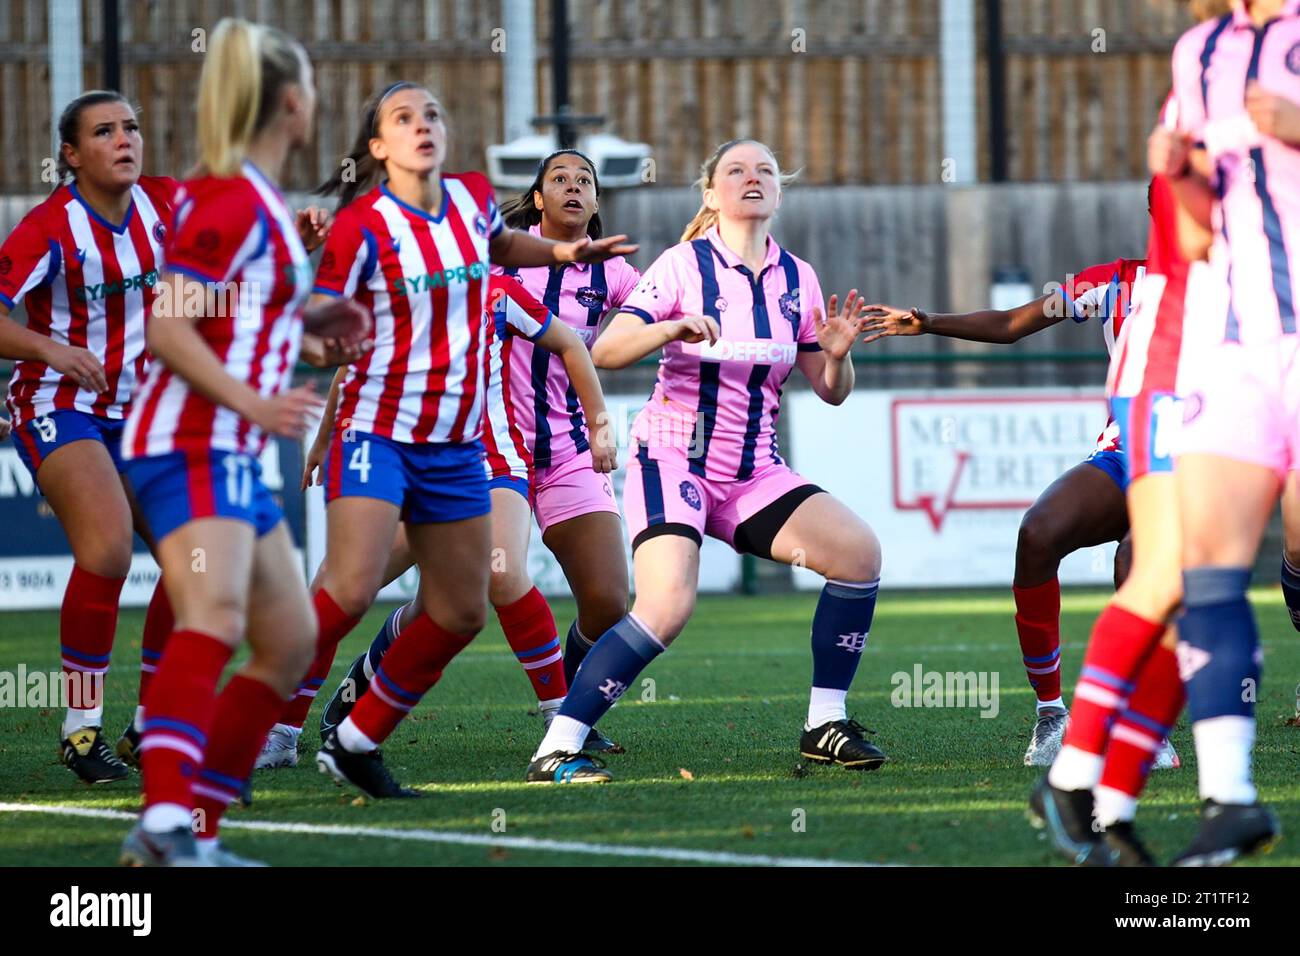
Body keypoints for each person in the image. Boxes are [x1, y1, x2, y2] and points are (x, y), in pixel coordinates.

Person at [301, 81, 635, 798]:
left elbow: (594, 336)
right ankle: (264, 727)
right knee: (350, 590)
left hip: (495, 453)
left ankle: (553, 721)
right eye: (403, 117)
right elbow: (346, 339)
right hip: (408, 443)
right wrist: (323, 422)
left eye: (434, 113)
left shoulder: (505, 249)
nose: (425, 125)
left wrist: (640, 333)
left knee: (505, 591)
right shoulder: (382, 236)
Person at [524, 138, 885, 784]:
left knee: (859, 555)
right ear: (712, 193)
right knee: (666, 605)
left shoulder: (798, 277)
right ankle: (558, 744)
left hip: (753, 470)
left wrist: (835, 354)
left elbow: (830, 391)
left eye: (766, 169)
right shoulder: (683, 266)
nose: (753, 178)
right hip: (674, 456)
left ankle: (824, 724)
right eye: (736, 170)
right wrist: (670, 328)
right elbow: (604, 349)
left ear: (778, 191)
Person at [117, 17, 371, 866]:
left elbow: (236, 316)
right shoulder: (231, 196)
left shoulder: (255, 197)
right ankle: (162, 827)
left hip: (228, 446)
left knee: (291, 639)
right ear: (292, 103)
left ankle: (199, 833)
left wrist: (312, 328)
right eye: (312, 88)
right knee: (216, 616)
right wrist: (257, 404)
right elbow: (169, 326)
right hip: (190, 441)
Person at [860, 255, 1185, 768]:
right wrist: (928, 321)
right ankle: (1052, 716)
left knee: (1135, 560)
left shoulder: (1241, 282)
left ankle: (1147, 721)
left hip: (1204, 463)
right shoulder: (1117, 282)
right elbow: (1014, 324)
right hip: (1126, 454)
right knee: (1037, 533)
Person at [1140, 0, 1298, 865]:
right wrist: (1182, 177)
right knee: (1207, 575)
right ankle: (1229, 799)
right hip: (1235, 346)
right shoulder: (1198, 52)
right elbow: (1200, 234)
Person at [0, 90, 177, 783]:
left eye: (131, 126)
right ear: (70, 157)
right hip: (58, 403)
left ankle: (151, 725)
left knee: (201, 565)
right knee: (105, 549)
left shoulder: (163, 203)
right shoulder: (49, 227)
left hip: (139, 410)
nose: (125, 139)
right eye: (104, 132)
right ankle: (80, 731)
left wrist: (299, 235)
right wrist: (48, 348)